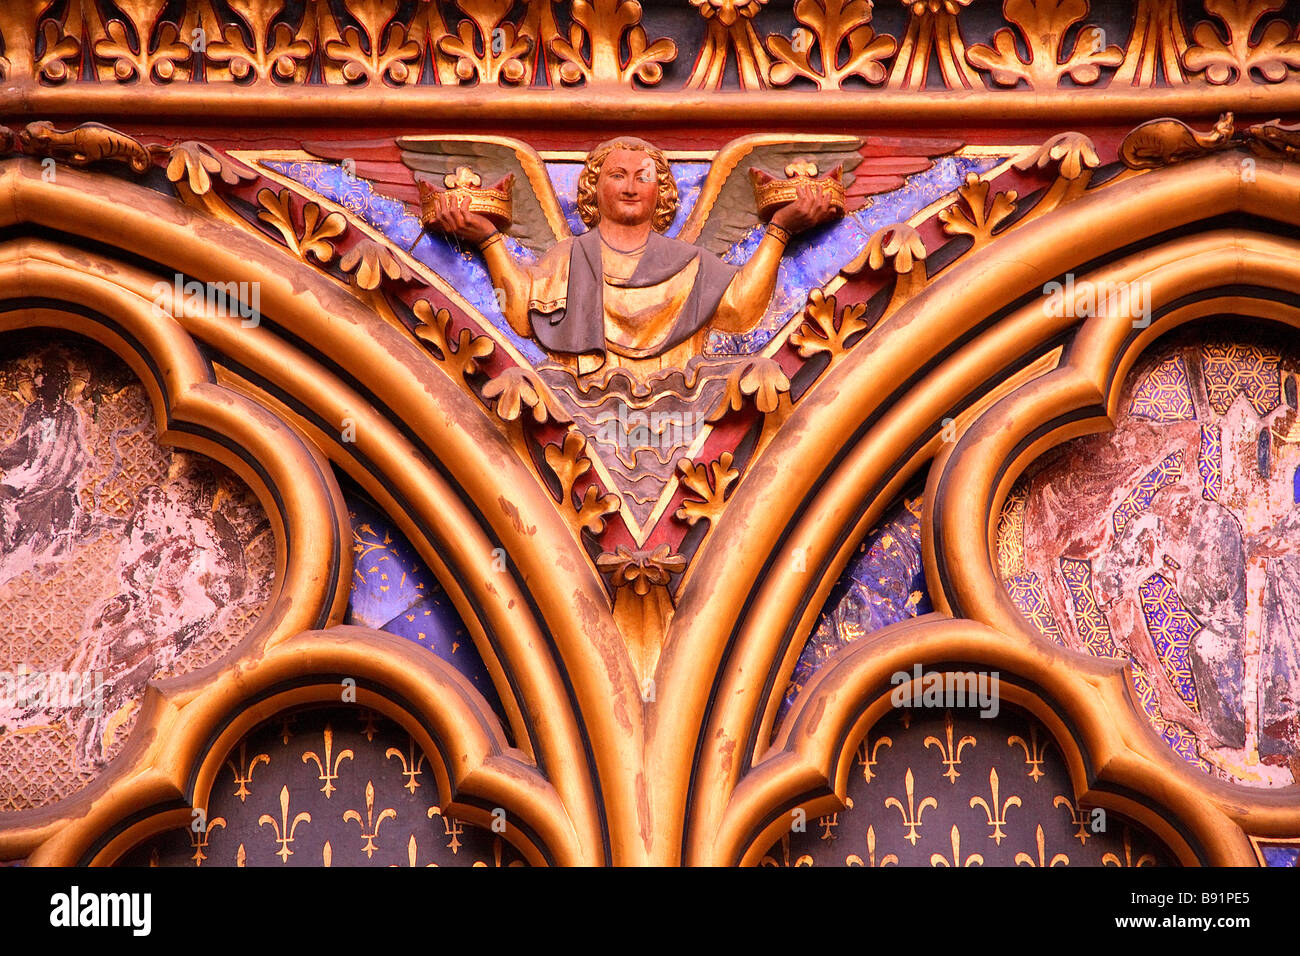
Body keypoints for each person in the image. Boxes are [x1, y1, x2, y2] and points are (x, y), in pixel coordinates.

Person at [423, 136, 836, 376]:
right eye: (617, 175)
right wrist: (489, 239)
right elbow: (519, 313)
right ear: (592, 188)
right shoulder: (568, 257)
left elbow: (741, 310)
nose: (630, 186)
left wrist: (779, 231)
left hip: (679, 407)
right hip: (585, 404)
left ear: (662, 191)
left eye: (643, 177)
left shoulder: (689, 261)